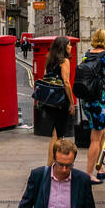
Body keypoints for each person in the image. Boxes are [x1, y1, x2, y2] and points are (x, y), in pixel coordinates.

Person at [75, 28, 105, 182]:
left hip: (87, 100)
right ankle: (88, 173)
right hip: (100, 102)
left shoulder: (87, 55)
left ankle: (100, 168)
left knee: (101, 134)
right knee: (96, 137)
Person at [38, 36, 75, 169]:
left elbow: (44, 77)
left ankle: (50, 164)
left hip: (50, 101)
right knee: (59, 135)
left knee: (54, 135)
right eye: (69, 45)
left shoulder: (49, 60)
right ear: (63, 47)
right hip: (60, 101)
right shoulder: (64, 61)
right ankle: (55, 164)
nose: (71, 47)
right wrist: (71, 102)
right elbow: (66, 82)